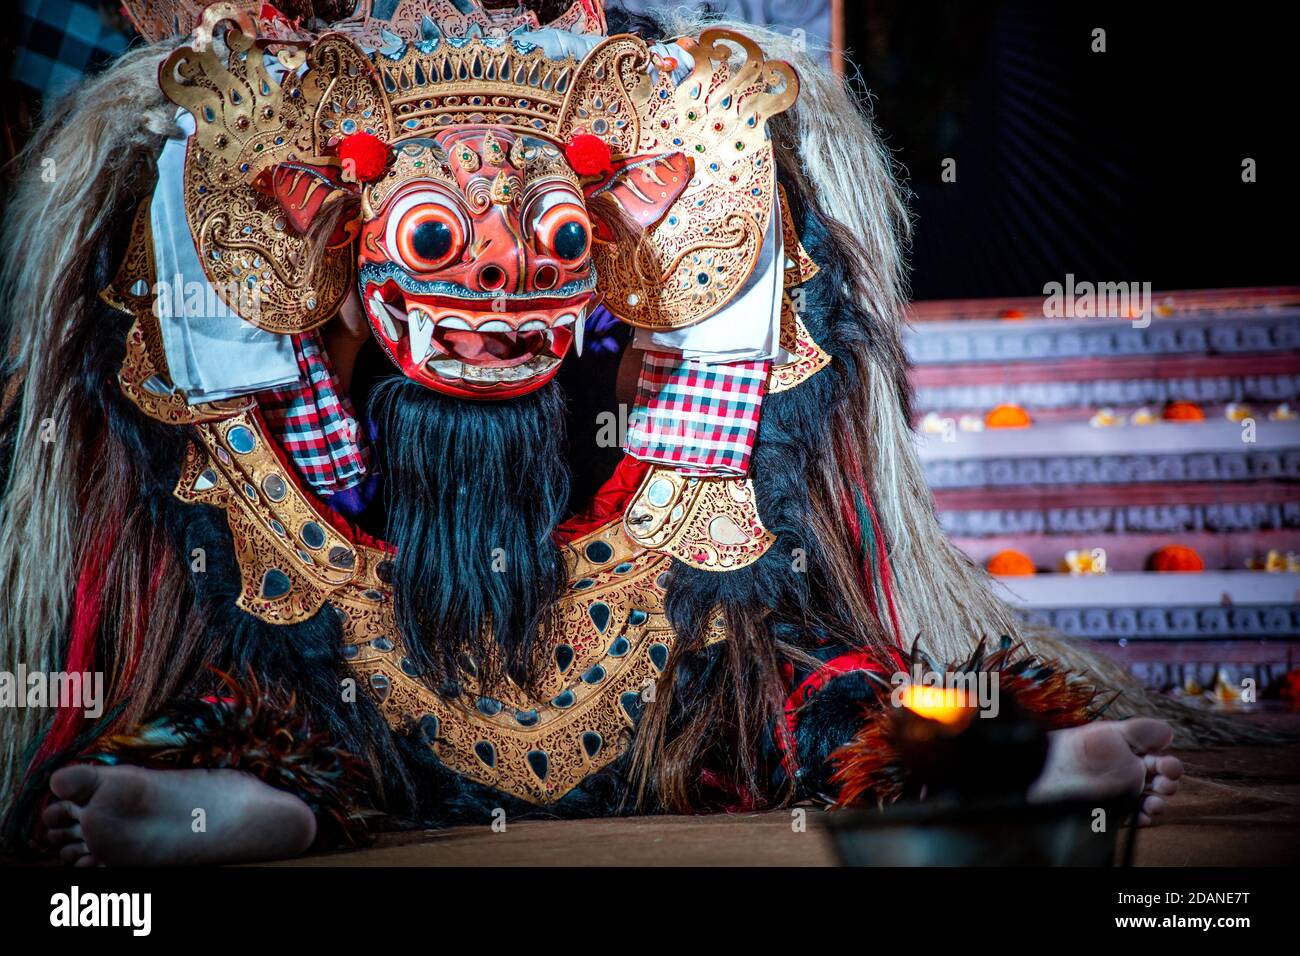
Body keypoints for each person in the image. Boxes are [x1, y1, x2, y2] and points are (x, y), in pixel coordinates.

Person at [1, 1, 1182, 866]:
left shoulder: (633, 96)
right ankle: (248, 796)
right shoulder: (262, 155)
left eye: (551, 246)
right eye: (433, 243)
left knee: (788, 669)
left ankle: (975, 759)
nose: (503, 276)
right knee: (248, 672)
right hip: (343, 621)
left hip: (638, 610)